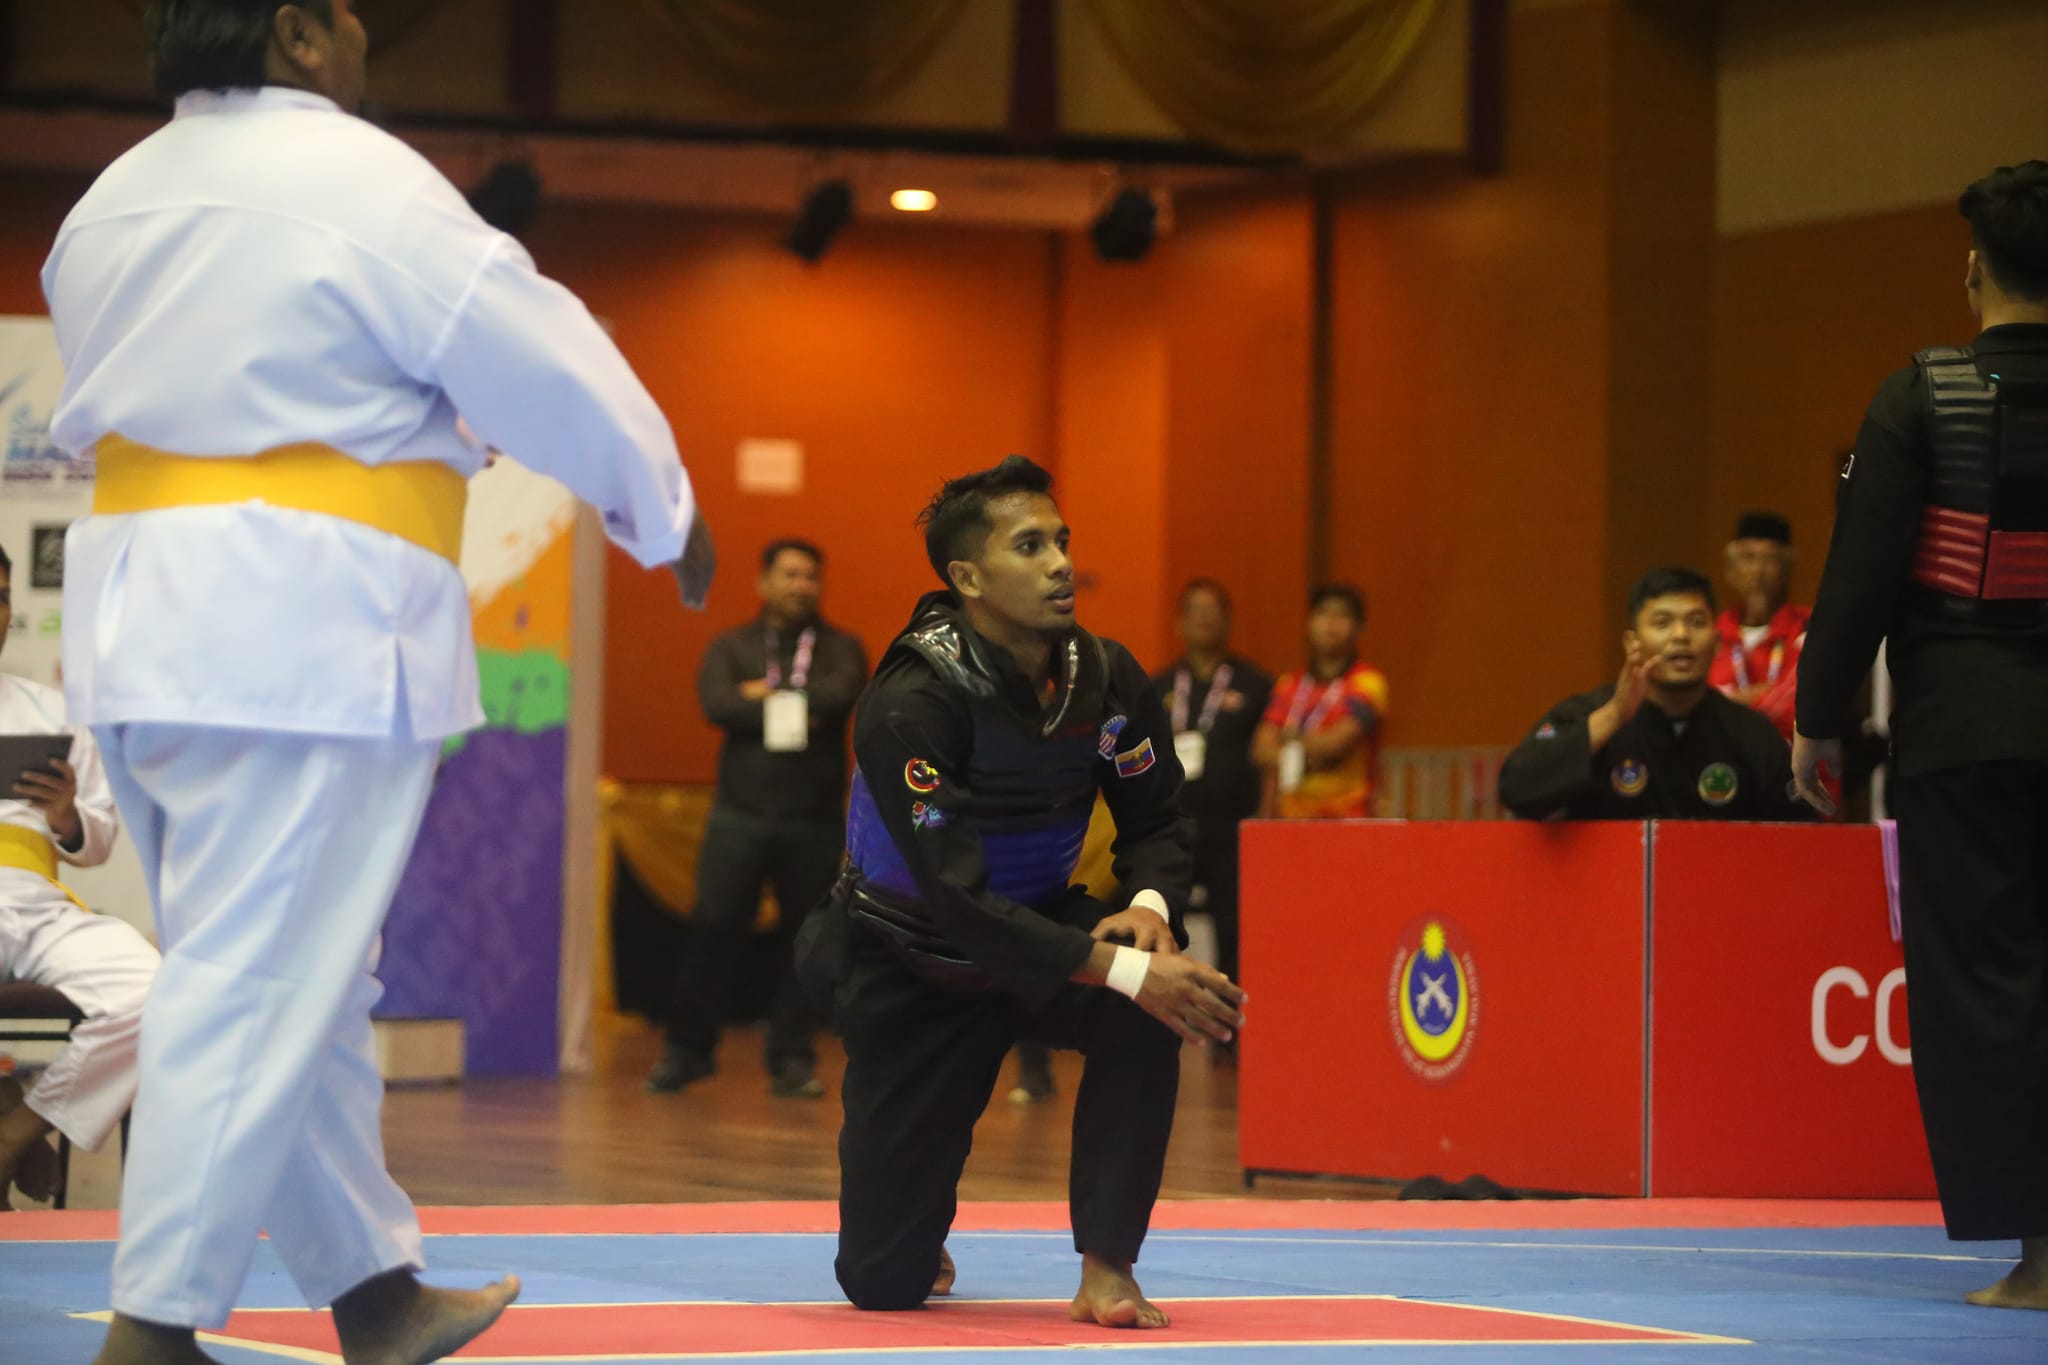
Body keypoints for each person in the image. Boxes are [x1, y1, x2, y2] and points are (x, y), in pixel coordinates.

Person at [41, 4, 712, 1362]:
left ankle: (372, 1288)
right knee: (257, 972)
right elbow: (530, 343)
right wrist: (664, 503)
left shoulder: (108, 200)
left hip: (145, 624)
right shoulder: (356, 178)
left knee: (303, 971)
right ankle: (153, 1326)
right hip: (297, 624)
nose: (360, 40)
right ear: (295, 33)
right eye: (346, 15)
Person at [796, 455, 1244, 1329]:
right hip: (909, 957)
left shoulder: (1108, 679)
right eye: (1030, 546)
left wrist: (1149, 917)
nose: (1060, 564)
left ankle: (1107, 1268)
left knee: (1146, 1005)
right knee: (884, 1281)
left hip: (1037, 930)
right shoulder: (907, 704)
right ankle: (912, 1219)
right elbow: (957, 899)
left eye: (1062, 541)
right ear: (967, 576)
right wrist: (1115, 969)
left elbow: (1159, 819)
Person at [1792, 160, 2048, 1311]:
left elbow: (1856, 586)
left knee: (1985, 989)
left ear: (1969, 268)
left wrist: (1816, 723)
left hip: (1964, 742)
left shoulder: (1917, 398)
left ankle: (2038, 1259)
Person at [650, 539, 866, 1100]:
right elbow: (717, 703)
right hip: (738, 816)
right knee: (711, 932)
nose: (801, 586)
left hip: (813, 819)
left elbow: (841, 694)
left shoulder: (842, 647)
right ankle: (687, 1052)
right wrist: (797, 700)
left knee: (805, 942)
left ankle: (792, 1059)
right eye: (790, 575)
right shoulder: (732, 645)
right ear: (763, 582)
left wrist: (763, 694)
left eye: (811, 577)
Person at [0, 543, 160, 1210]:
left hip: (33, 902)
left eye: (2, 597)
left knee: (156, 991)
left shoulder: (50, 710)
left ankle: (18, 1127)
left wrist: (65, 813)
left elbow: (93, 844)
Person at [1499, 566, 1811, 821]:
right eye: (1663, 623)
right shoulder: (1587, 713)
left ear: (1716, 644)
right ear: (1632, 643)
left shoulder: (1750, 733)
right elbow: (1517, 789)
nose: (1681, 636)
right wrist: (1615, 715)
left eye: (1696, 622)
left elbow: (1801, 832)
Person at [1148, 579, 1271, 985]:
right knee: (1161, 920)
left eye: (1213, 610)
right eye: (1195, 611)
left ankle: (1234, 1031)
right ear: (1179, 623)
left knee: (1235, 928)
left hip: (1232, 830)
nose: (1204, 619)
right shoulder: (1158, 687)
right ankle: (1161, 1017)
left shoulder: (1256, 685)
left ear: (1228, 620)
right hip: (1174, 829)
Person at [1252, 584, 1388, 819]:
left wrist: (1289, 741)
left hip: (1350, 819)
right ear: (1308, 623)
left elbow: (1337, 743)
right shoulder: (1288, 685)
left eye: (1342, 615)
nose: (1331, 623)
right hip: (1292, 819)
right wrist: (1311, 750)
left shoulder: (1368, 683)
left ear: (1359, 627)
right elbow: (1262, 749)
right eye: (1323, 613)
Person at [1709, 511, 1809, 741]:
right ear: (1730, 570)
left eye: (1770, 559)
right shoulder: (1713, 633)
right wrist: (1768, 695)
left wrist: (1725, 703)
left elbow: (1802, 707)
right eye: (1748, 558)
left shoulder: (1809, 628)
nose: (1758, 570)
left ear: (1787, 570)